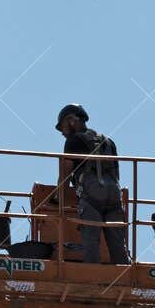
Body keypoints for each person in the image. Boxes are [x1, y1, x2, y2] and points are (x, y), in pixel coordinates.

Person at [55, 103, 130, 267]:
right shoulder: (108, 141)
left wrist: (57, 196)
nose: (62, 133)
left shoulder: (74, 141)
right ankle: (125, 279)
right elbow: (116, 175)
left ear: (72, 120)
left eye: (63, 127)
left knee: (91, 243)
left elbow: (65, 173)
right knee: (118, 246)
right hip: (114, 197)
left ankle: (92, 280)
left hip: (92, 197)